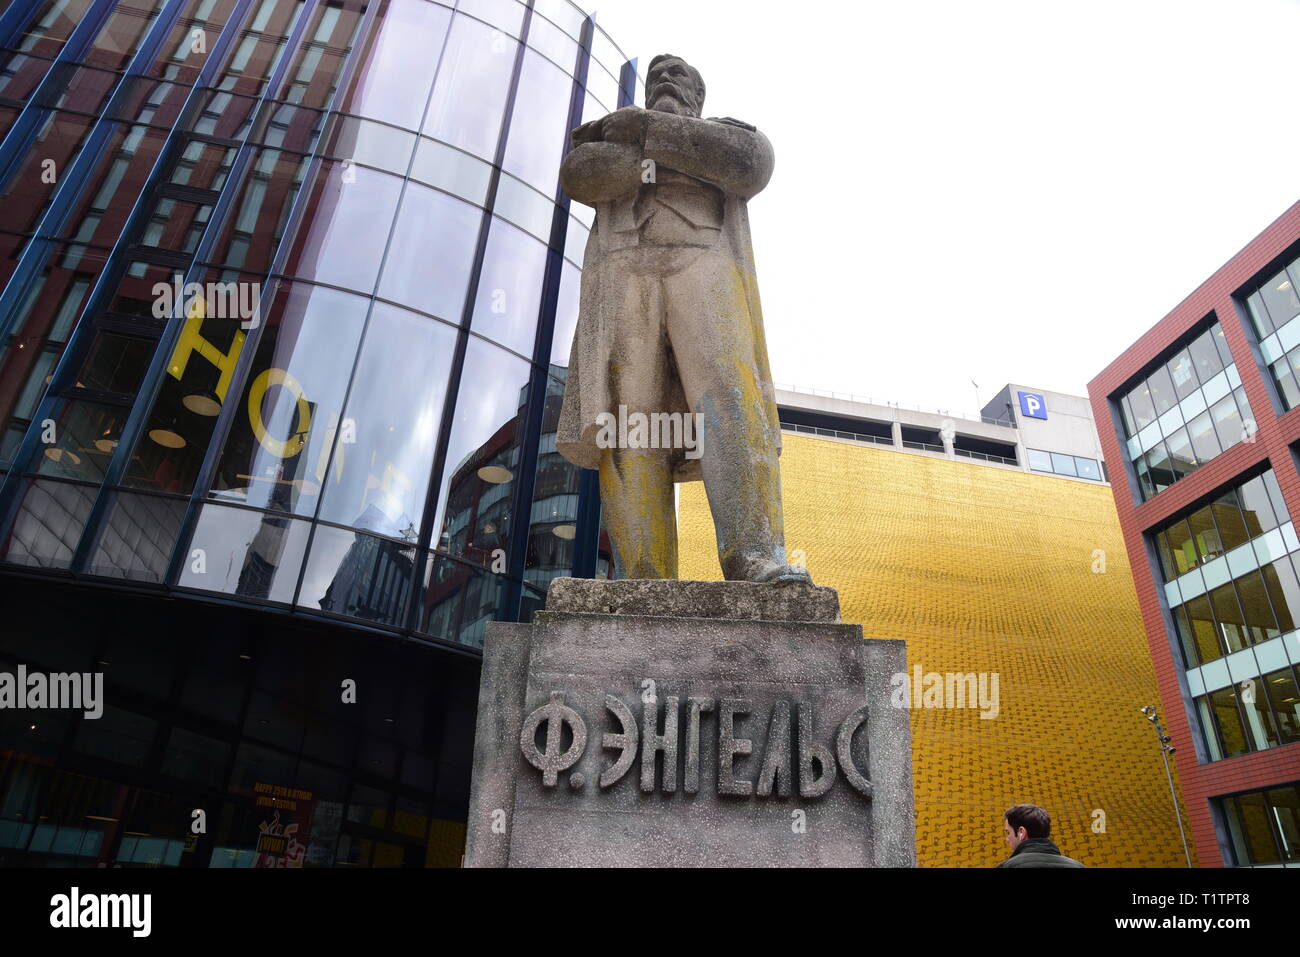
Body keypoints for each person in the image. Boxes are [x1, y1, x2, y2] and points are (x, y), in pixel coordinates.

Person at [555, 54, 809, 584]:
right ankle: (644, 574)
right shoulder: (609, 142)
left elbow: (747, 163)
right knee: (632, 419)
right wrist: (673, 150)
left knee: (729, 398)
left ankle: (754, 555)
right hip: (626, 269)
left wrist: (644, 132)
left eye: (679, 75)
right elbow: (582, 175)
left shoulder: (722, 133)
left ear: (698, 97)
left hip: (706, 263)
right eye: (656, 77)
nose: (665, 79)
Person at [997, 803, 1085, 868]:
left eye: (1008, 833)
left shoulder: (1007, 866)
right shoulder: (1079, 866)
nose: (1007, 839)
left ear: (1021, 833)